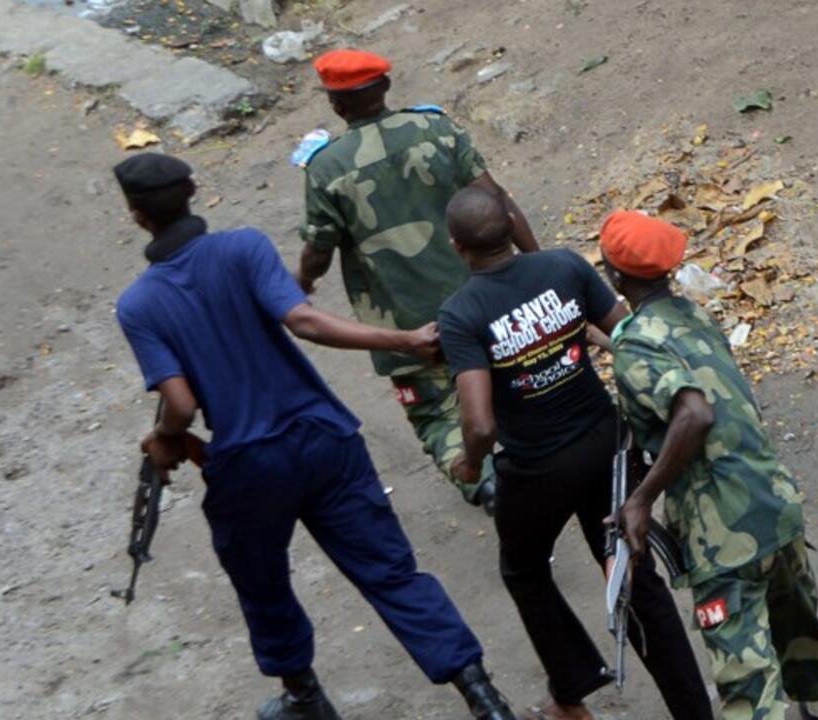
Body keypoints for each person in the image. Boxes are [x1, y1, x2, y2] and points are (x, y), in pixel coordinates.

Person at [111, 153, 517, 720]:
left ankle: (304, 696)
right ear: (194, 192)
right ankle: (482, 695)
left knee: (262, 582)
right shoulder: (246, 247)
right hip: (325, 438)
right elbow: (303, 321)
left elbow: (179, 403)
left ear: (135, 216)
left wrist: (163, 437)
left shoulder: (139, 304)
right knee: (392, 572)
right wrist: (401, 340)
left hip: (248, 467)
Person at [436, 188, 715, 720]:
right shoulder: (563, 265)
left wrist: (471, 463)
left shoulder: (461, 312)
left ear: (457, 247)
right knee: (633, 576)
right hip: (606, 445)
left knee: (523, 570)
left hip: (536, 469)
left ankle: (572, 689)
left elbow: (479, 423)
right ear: (512, 223)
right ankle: (693, 712)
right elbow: (627, 333)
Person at [600, 210, 818, 720]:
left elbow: (694, 412)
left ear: (614, 276)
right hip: (772, 499)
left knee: (745, 673)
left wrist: (642, 498)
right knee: (794, 619)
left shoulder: (634, 348)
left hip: (722, 528)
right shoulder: (692, 315)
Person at [295, 48, 541, 515]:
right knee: (510, 378)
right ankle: (533, 459)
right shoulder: (438, 128)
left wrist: (300, 282)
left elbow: (318, 252)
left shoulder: (326, 168)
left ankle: (486, 485)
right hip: (484, 299)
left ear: (335, 104)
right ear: (385, 88)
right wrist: (537, 266)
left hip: (406, 327)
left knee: (436, 412)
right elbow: (497, 200)